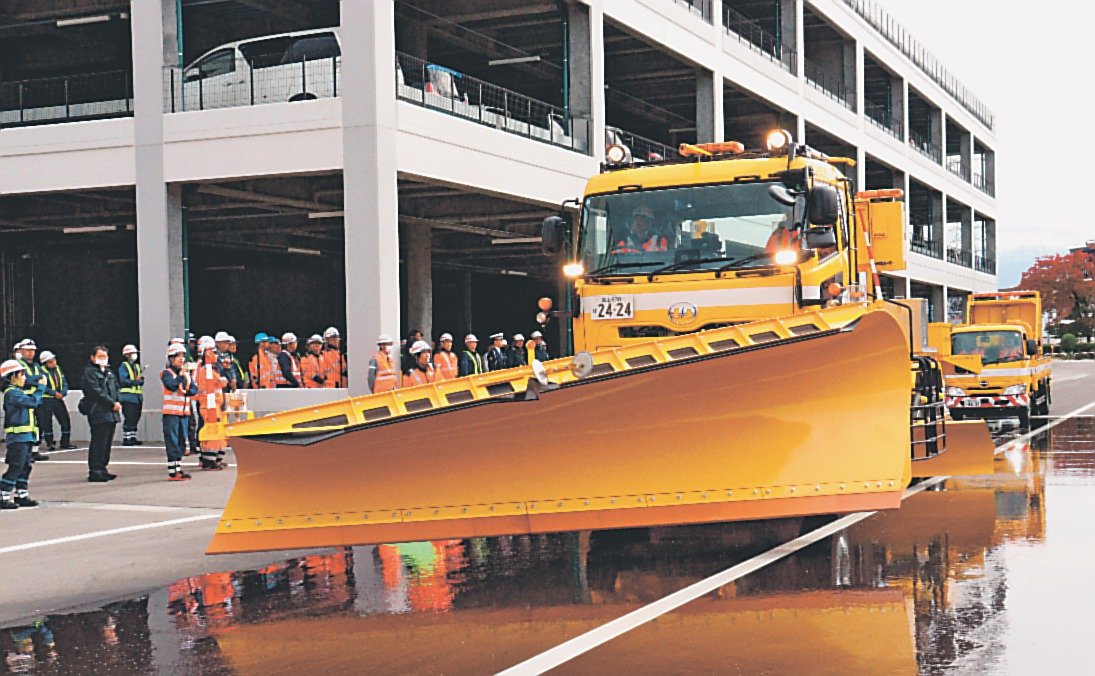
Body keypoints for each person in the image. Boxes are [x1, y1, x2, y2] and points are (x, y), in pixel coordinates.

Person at [1, 359, 45, 510]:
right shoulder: (12, 393)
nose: (24, 377)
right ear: (12, 376)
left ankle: (21, 495)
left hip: (26, 436)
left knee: (25, 466)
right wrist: (41, 387)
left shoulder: (17, 392)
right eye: (22, 374)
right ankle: (3, 495)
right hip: (18, 438)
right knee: (16, 466)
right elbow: (33, 402)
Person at [80, 346, 120, 483]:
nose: (103, 359)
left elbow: (115, 388)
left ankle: (102, 468)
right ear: (92, 357)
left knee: (107, 443)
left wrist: (117, 401)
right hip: (98, 411)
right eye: (100, 356)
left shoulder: (108, 372)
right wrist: (111, 403)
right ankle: (95, 470)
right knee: (99, 442)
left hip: (111, 413)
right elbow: (96, 392)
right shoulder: (89, 372)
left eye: (105, 356)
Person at [161, 344, 197, 481]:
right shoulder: (167, 374)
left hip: (183, 414)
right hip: (171, 414)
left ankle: (178, 469)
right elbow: (172, 385)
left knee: (181, 441)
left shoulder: (186, 375)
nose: (181, 359)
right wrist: (181, 376)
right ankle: (172, 471)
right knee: (172, 441)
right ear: (171, 359)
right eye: (178, 357)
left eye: (183, 356)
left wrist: (186, 391)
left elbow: (194, 389)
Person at [195, 342, 228, 470]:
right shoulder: (206, 370)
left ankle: (215, 459)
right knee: (213, 433)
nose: (215, 355)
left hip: (214, 406)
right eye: (213, 352)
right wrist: (223, 380)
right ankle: (209, 461)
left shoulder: (210, 369)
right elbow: (221, 382)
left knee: (218, 432)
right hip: (209, 407)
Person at [16, 340, 48, 461]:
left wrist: (35, 379)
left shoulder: (36, 365)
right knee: (27, 426)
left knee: (38, 426)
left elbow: (44, 377)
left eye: (33, 350)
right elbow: (26, 381)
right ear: (22, 351)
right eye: (28, 350)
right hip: (24, 400)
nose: (31, 353)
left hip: (38, 400)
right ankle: (27, 452)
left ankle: (34, 451)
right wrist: (37, 379)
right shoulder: (18, 365)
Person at [38, 351, 75, 451]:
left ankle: (65, 442)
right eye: (50, 361)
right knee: (47, 422)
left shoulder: (58, 369)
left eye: (54, 360)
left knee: (65, 420)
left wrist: (63, 392)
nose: (53, 362)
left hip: (58, 399)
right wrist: (54, 393)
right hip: (46, 400)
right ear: (45, 363)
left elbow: (64, 382)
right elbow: (42, 387)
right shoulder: (41, 371)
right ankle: (50, 443)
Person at [117, 344, 145, 446]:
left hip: (137, 397)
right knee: (129, 417)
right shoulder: (124, 366)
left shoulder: (136, 366)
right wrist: (136, 382)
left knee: (136, 417)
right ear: (127, 355)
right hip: (127, 396)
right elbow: (124, 380)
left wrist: (141, 381)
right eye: (133, 353)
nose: (135, 355)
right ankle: (127, 438)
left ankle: (133, 437)